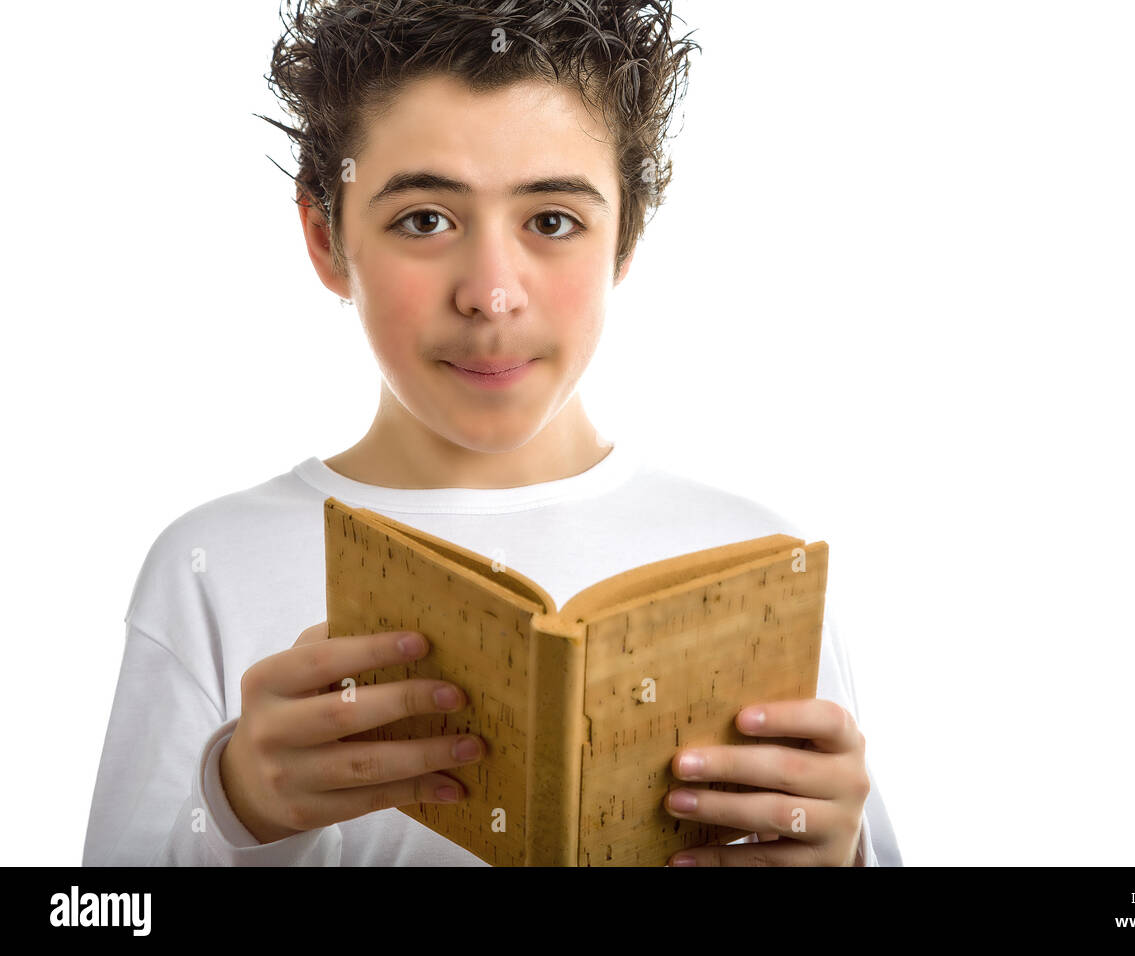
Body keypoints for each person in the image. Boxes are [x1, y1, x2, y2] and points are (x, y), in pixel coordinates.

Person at [82, 0, 901, 867]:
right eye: (425, 220)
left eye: (551, 221)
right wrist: (238, 807)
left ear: (627, 237)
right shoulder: (210, 563)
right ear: (327, 239)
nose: (492, 293)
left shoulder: (754, 561)